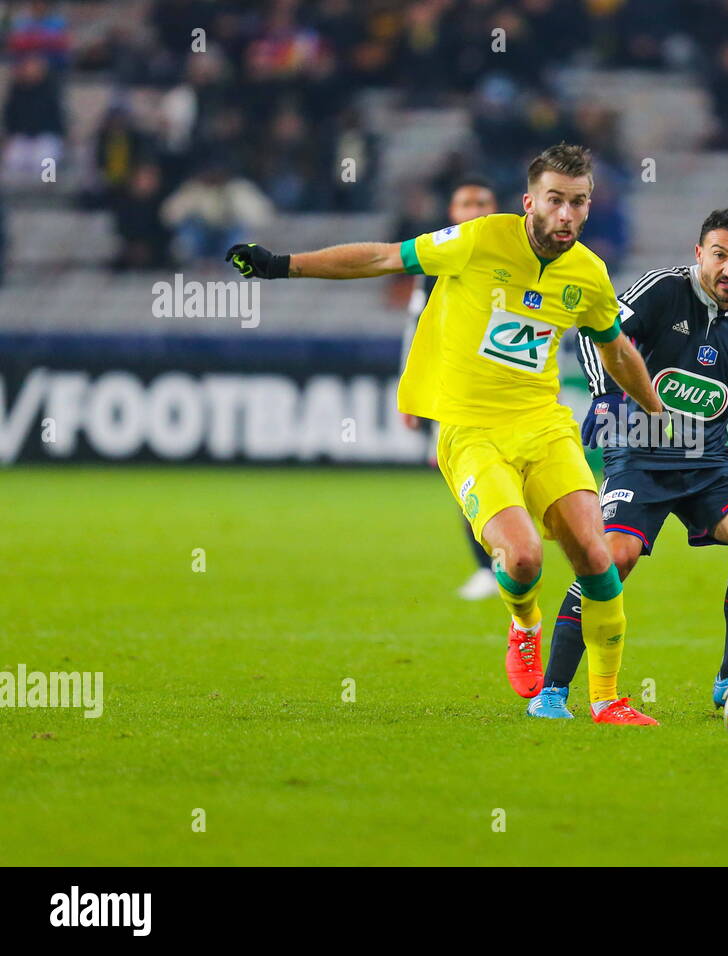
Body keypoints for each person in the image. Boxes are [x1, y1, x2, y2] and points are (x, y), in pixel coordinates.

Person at [226, 144, 665, 725]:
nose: (566, 214)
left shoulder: (588, 272)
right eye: (555, 200)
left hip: (544, 425)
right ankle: (525, 624)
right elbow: (383, 258)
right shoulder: (480, 239)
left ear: (588, 208)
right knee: (525, 558)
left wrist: (655, 408)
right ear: (530, 201)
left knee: (596, 554)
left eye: (578, 203)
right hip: (472, 430)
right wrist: (283, 264)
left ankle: (608, 699)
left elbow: (616, 350)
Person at [530, 208, 728, 719]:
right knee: (612, 558)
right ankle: (553, 690)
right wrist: (605, 398)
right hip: (637, 452)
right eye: (719, 255)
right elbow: (592, 333)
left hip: (707, 462)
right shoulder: (660, 291)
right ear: (699, 255)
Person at [401, 175, 500, 601]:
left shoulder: (518, 256)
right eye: (466, 203)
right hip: (453, 392)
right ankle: (489, 565)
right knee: (468, 481)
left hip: (510, 390)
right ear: (452, 214)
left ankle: (509, 557)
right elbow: (416, 328)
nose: (475, 210)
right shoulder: (435, 264)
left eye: (483, 202)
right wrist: (409, 389)